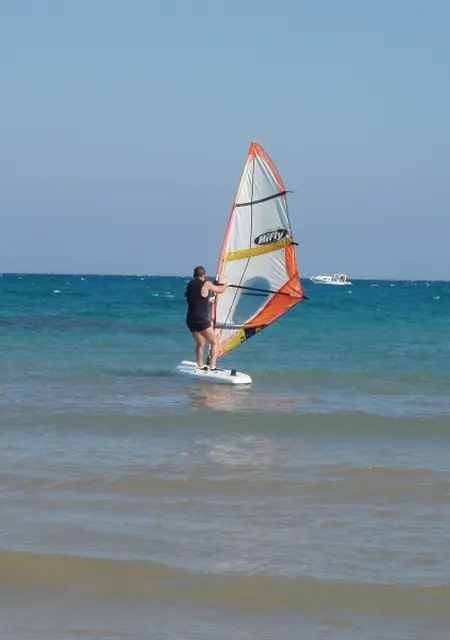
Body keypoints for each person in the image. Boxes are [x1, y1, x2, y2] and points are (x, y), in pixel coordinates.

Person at [185, 266, 228, 370]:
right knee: (214, 342)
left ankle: (200, 365)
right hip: (201, 320)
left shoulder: (190, 284)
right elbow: (220, 290)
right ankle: (212, 366)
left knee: (200, 343)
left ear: (194, 274)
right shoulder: (207, 284)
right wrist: (226, 285)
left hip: (190, 319)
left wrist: (208, 299)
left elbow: (197, 296)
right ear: (204, 274)